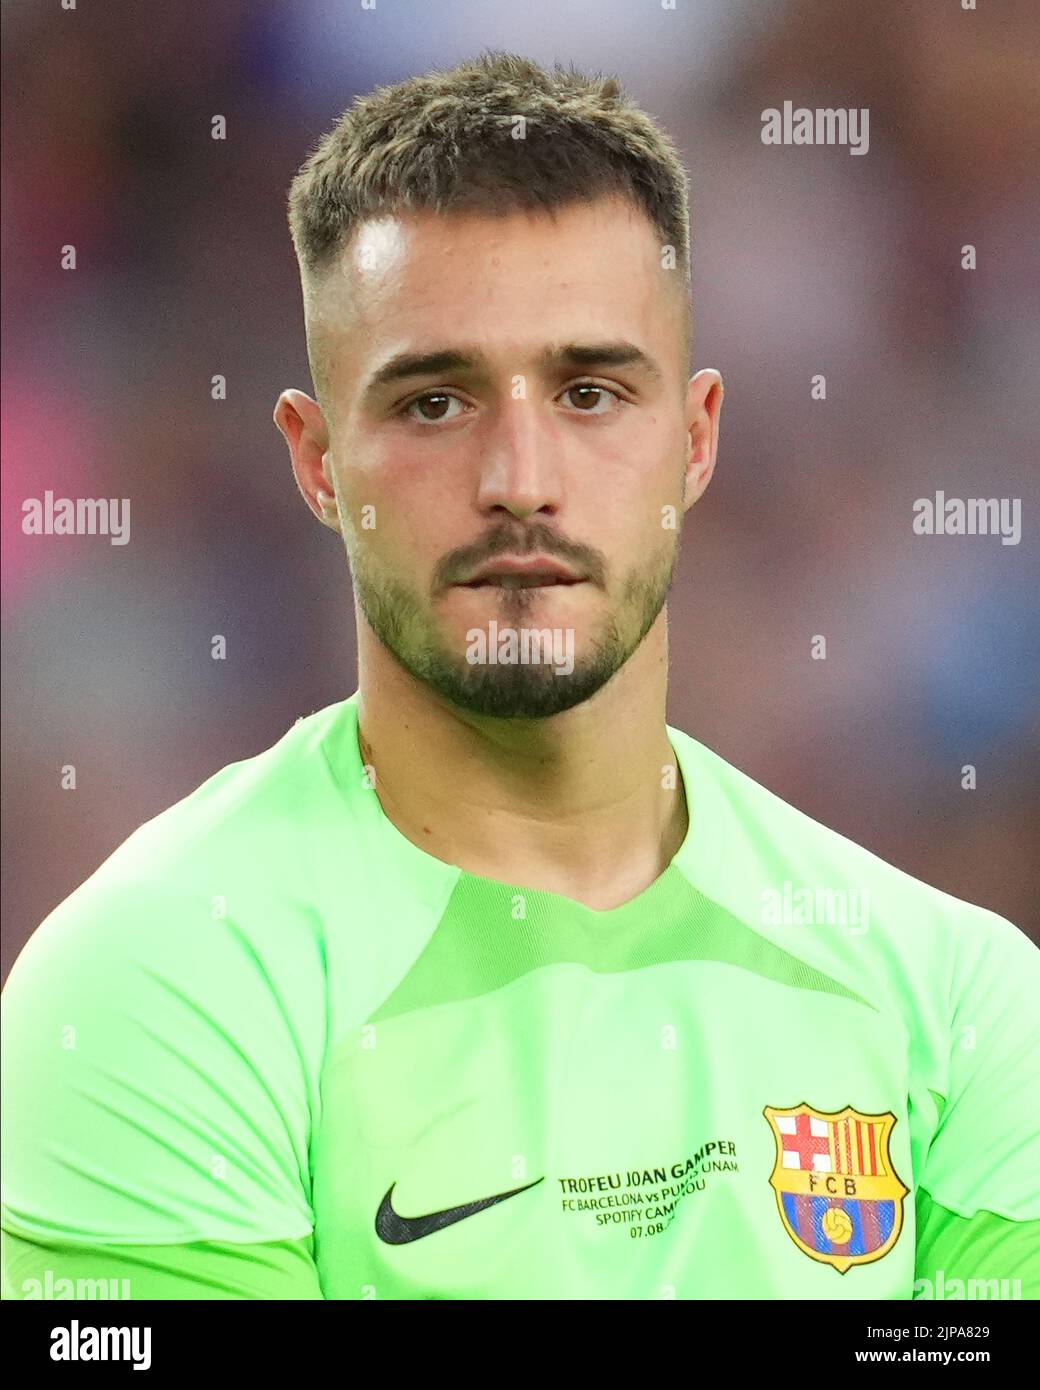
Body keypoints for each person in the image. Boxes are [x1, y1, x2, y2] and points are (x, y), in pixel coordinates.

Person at [3, 52, 1037, 1301]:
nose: (519, 476)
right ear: (318, 461)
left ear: (694, 439)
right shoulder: (157, 981)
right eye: (434, 403)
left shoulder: (957, 994)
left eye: (590, 391)